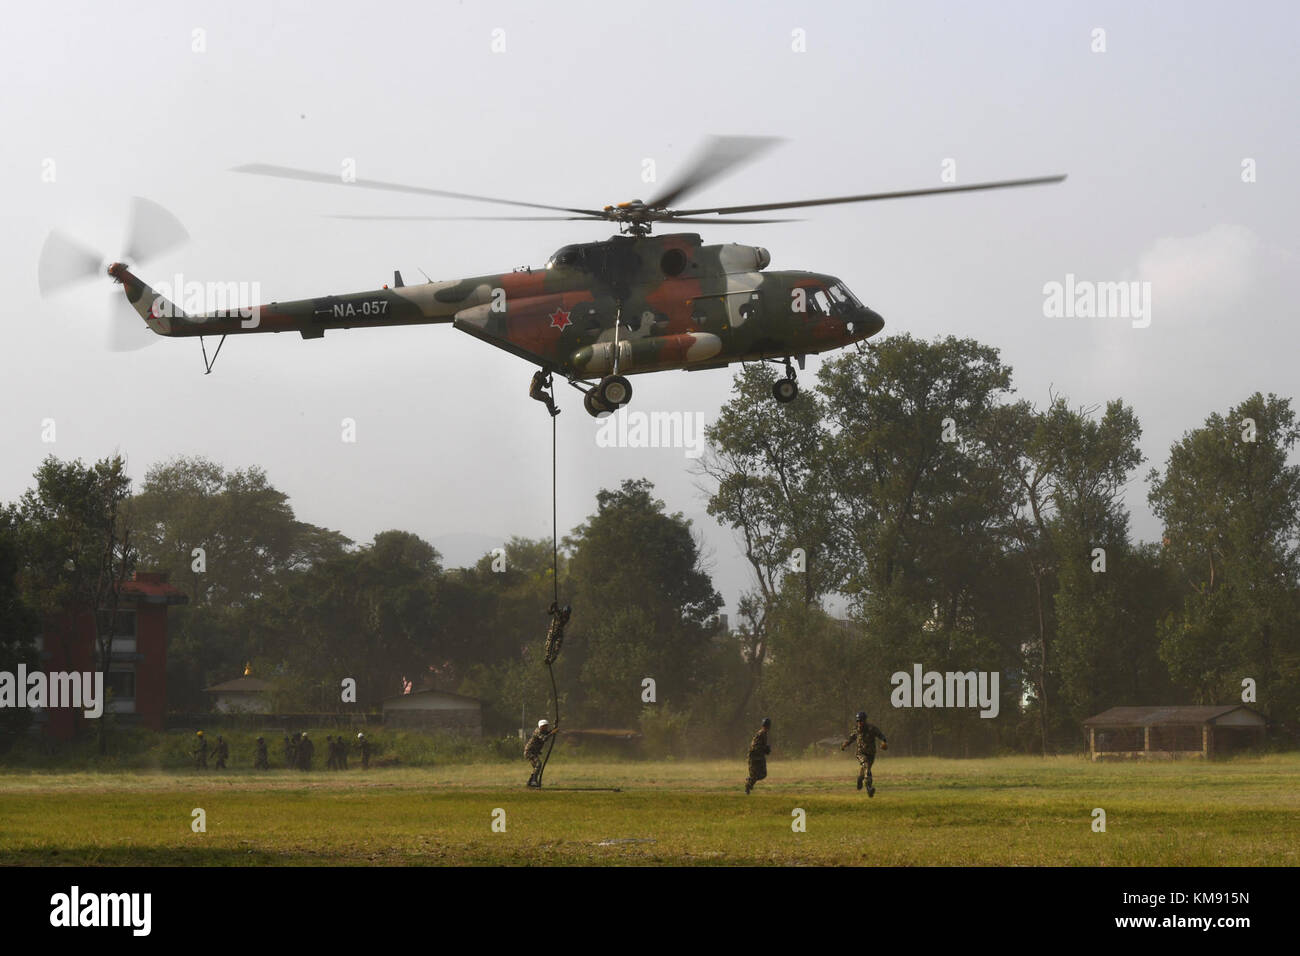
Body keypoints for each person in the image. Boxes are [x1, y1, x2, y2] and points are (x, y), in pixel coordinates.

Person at [841, 711, 888, 797]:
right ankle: (869, 788)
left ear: (865, 720)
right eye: (858, 721)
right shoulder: (856, 730)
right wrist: (845, 745)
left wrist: (884, 742)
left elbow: (881, 735)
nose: (860, 723)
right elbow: (851, 739)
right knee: (866, 766)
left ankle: (860, 779)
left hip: (871, 754)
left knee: (866, 769)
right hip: (860, 753)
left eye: (861, 721)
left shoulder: (872, 728)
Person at [524, 718, 559, 788]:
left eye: (546, 726)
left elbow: (549, 733)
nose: (546, 727)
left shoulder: (544, 731)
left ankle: (530, 782)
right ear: (541, 726)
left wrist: (555, 727)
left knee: (536, 767)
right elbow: (544, 738)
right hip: (529, 752)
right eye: (544, 726)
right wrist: (552, 733)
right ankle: (534, 781)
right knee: (538, 764)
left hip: (534, 752)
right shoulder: (538, 731)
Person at [745, 718, 771, 794]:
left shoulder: (764, 733)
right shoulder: (761, 733)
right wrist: (764, 748)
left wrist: (765, 749)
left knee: (763, 774)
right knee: (755, 774)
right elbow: (754, 746)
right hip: (754, 757)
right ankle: (748, 785)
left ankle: (749, 782)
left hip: (759, 757)